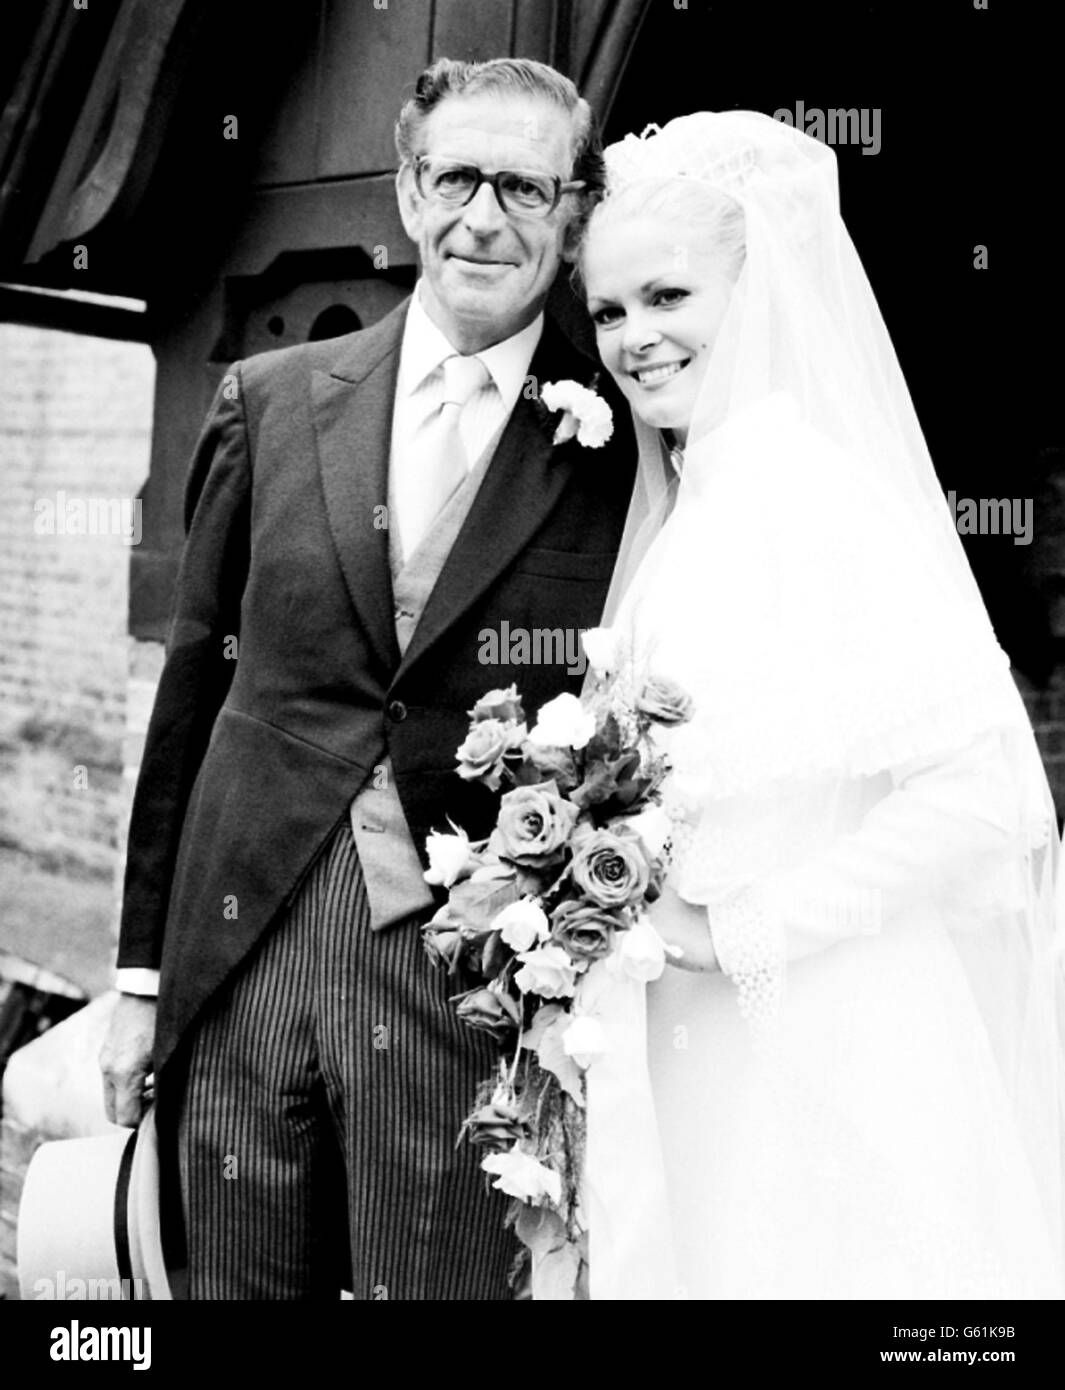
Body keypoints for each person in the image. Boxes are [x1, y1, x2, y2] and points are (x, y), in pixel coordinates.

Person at [98, 56, 635, 1300]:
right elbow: (188, 705)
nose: (483, 217)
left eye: (523, 185)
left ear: (570, 212)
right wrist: (137, 983)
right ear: (407, 192)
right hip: (242, 951)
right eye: (456, 177)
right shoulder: (269, 403)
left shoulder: (621, 440)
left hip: (462, 983)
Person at [574, 111, 1065, 1299]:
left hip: (832, 1032)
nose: (636, 339)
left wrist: (744, 930)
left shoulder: (818, 500)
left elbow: (989, 792)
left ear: (760, 293)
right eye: (608, 311)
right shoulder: (695, 510)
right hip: (699, 1050)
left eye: (668, 297)